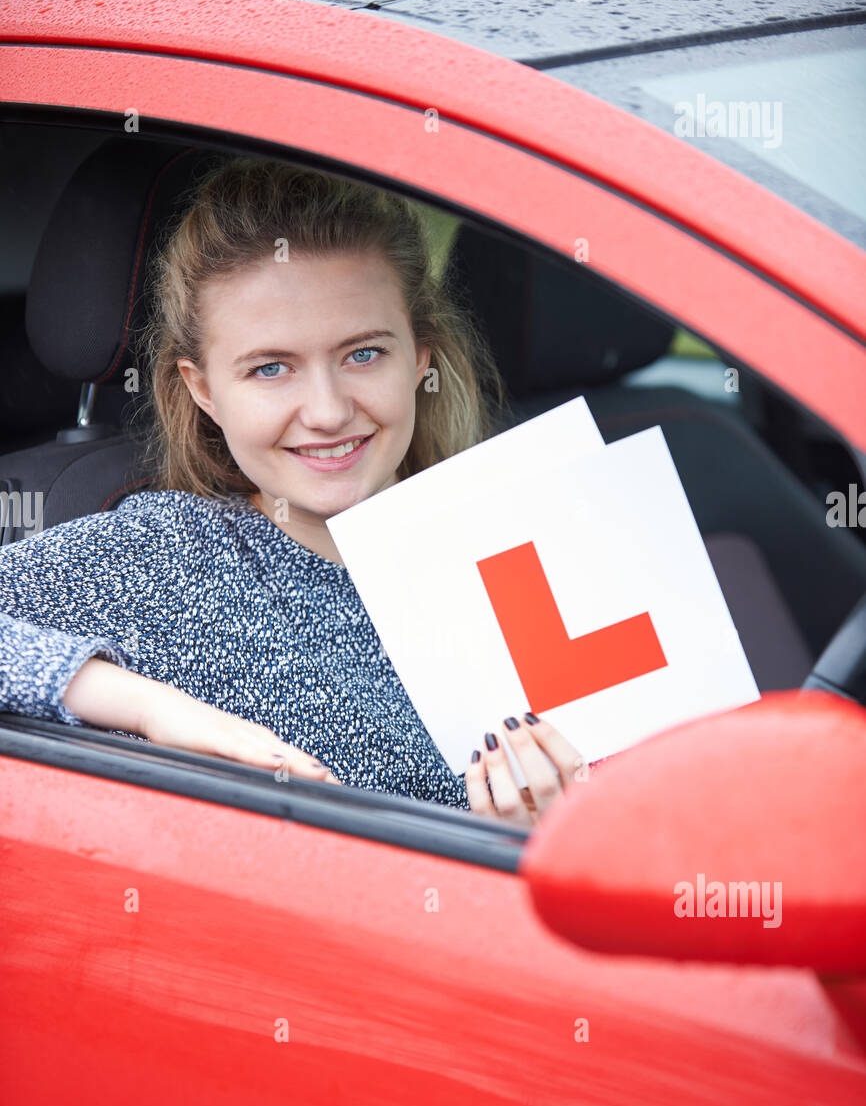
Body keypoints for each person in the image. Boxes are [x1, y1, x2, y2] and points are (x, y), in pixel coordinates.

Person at [0, 155, 586, 828]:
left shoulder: (533, 532)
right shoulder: (169, 558)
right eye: (271, 368)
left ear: (419, 360)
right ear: (203, 390)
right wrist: (150, 707)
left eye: (363, 353)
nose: (328, 411)